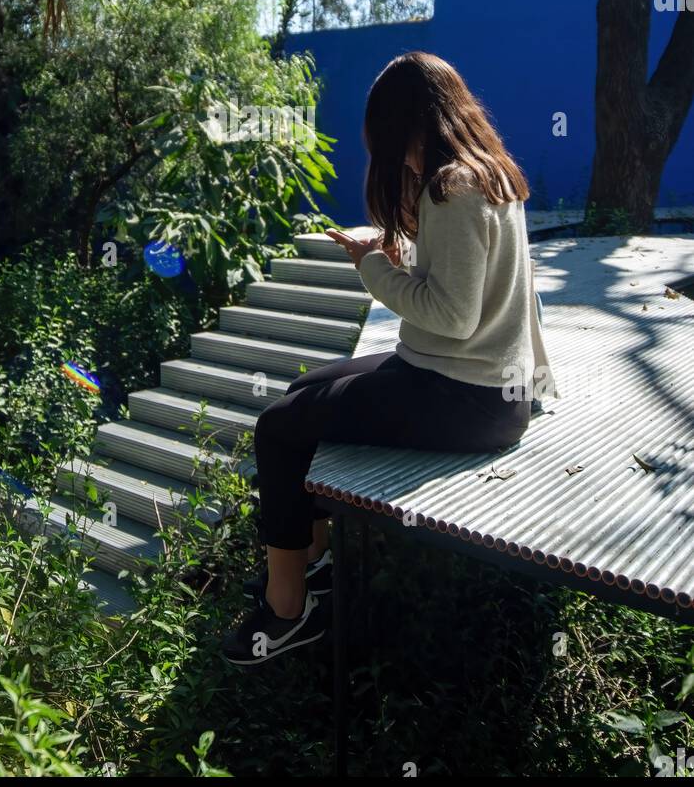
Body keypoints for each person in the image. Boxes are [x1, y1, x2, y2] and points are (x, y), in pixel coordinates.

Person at [222, 51, 557, 666]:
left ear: (411, 124)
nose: (390, 154)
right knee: (301, 396)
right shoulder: (494, 174)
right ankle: (312, 560)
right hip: (473, 385)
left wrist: (370, 266)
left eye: (386, 135)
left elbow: (453, 317)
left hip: (462, 398)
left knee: (275, 428)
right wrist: (536, 378)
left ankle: (287, 610)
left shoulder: (449, 188)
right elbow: (498, 293)